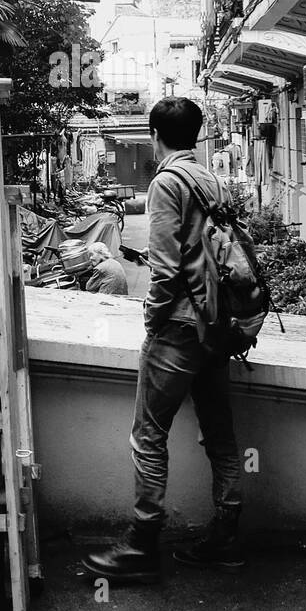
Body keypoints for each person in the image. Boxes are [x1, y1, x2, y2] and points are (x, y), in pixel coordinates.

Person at [81, 97, 244, 585]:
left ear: (154, 134)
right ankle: (226, 539)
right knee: (220, 437)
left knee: (148, 435)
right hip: (217, 325)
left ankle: (141, 542)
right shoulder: (210, 178)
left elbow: (167, 269)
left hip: (178, 328)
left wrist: (152, 319)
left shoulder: (166, 183)